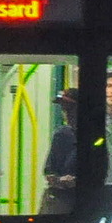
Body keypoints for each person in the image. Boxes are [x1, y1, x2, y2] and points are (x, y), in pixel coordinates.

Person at [40, 86, 79, 214]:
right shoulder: (62, 135)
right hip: (60, 199)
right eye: (64, 109)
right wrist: (58, 180)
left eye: (70, 109)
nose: (66, 113)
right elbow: (49, 170)